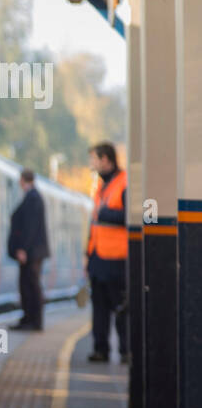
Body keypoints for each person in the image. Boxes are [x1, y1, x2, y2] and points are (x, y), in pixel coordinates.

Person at [85, 142, 128, 362]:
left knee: (121, 308)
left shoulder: (124, 183)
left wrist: (106, 214)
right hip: (99, 258)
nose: (92, 164)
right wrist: (88, 253)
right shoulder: (101, 187)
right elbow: (94, 224)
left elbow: (132, 217)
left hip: (117, 259)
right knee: (99, 309)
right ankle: (100, 349)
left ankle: (125, 351)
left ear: (106, 159)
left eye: (94, 159)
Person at [8, 168, 49, 330]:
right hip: (32, 252)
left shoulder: (33, 198)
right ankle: (28, 319)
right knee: (27, 285)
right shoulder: (33, 197)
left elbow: (30, 227)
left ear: (23, 179)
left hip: (31, 253)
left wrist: (23, 249)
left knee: (31, 285)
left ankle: (34, 321)